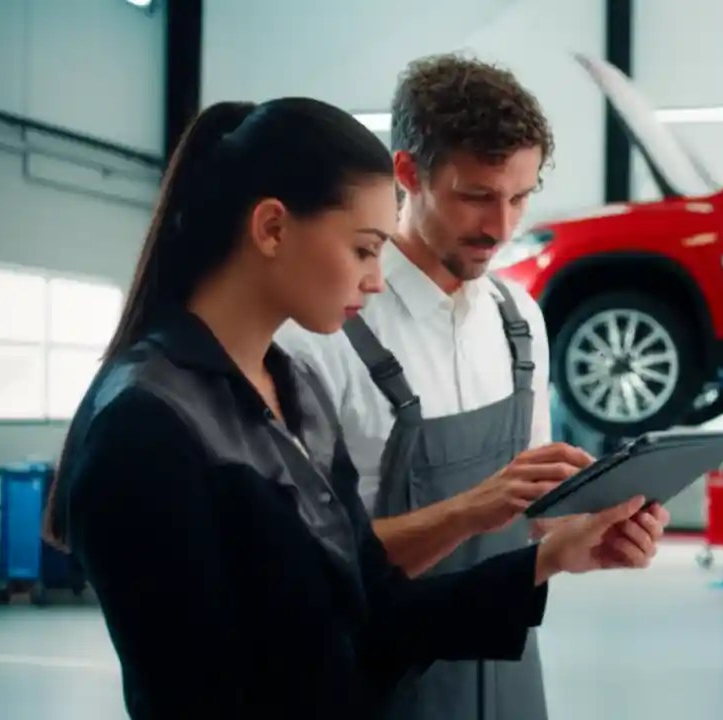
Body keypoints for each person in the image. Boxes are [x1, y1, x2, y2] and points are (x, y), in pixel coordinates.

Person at [42, 97, 665, 720]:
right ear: (272, 229)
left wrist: (553, 558)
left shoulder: (292, 392)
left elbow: (372, 606)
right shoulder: (145, 425)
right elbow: (203, 693)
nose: (376, 279)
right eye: (366, 249)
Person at [274, 53, 671, 720]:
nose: (502, 226)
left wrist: (595, 529)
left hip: (508, 674)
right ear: (408, 173)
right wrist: (471, 509)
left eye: (520, 197)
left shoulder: (522, 323)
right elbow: (314, 566)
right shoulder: (322, 334)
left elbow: (538, 511)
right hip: (380, 686)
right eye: (477, 196)